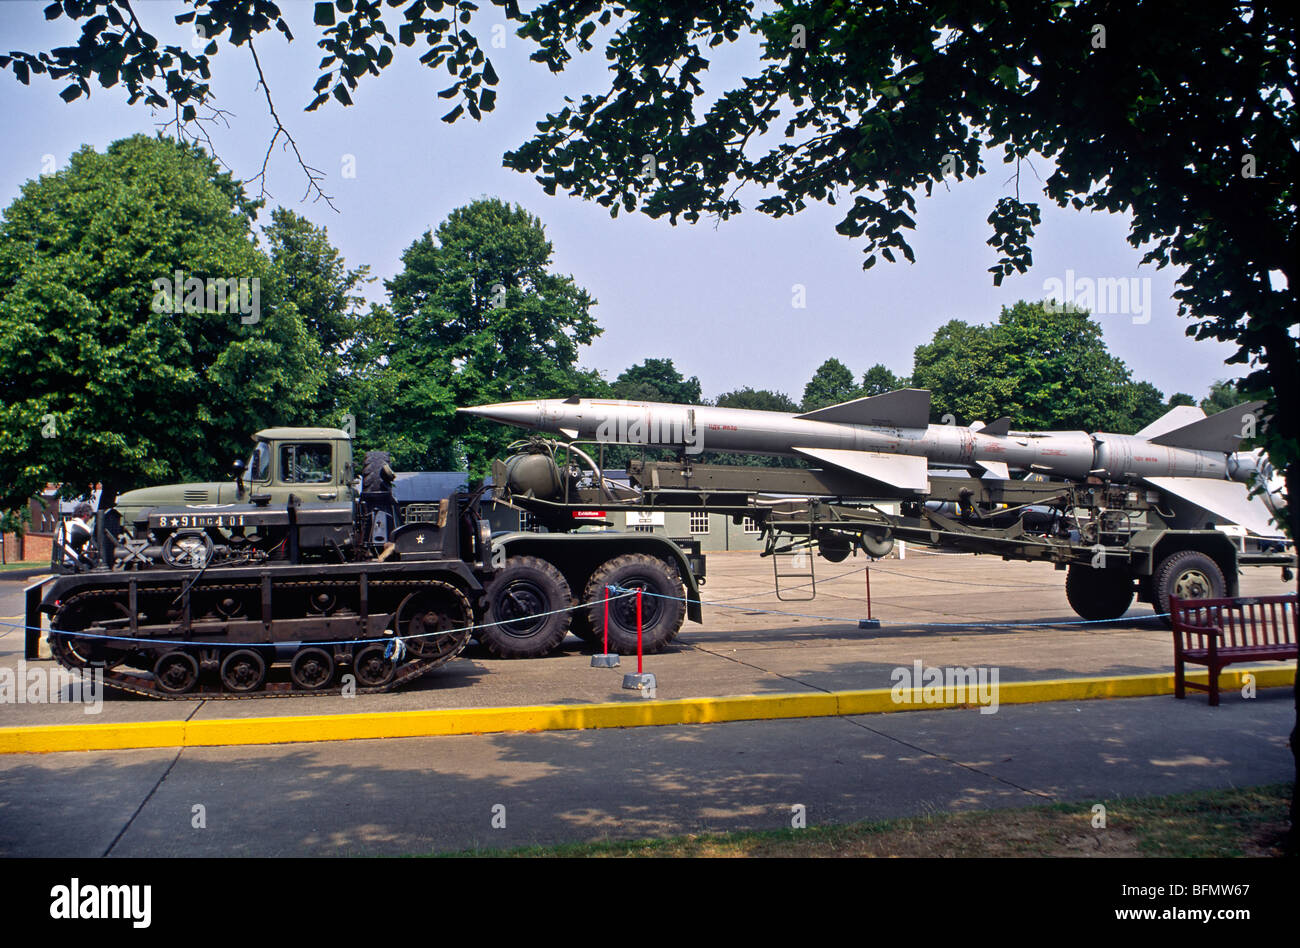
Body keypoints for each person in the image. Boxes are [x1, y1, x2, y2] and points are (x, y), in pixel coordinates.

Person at [57, 502, 96, 571]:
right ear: (85, 515)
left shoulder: (64, 525)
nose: (89, 520)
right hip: (75, 562)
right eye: (89, 517)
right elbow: (89, 551)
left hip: (62, 560)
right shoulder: (86, 529)